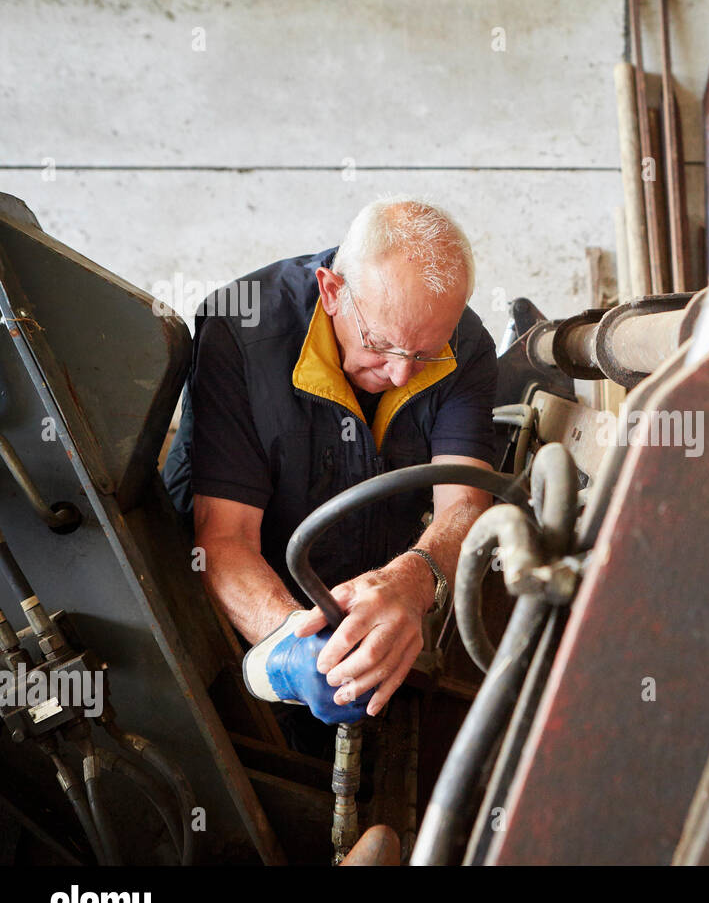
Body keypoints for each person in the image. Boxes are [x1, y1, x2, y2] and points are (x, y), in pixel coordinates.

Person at [163, 197, 498, 732]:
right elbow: (223, 539)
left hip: (373, 611)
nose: (400, 376)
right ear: (332, 291)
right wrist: (292, 645)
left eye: (424, 354)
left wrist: (414, 579)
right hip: (232, 617)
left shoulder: (466, 344)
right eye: (380, 345)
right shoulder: (240, 330)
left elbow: (464, 506)